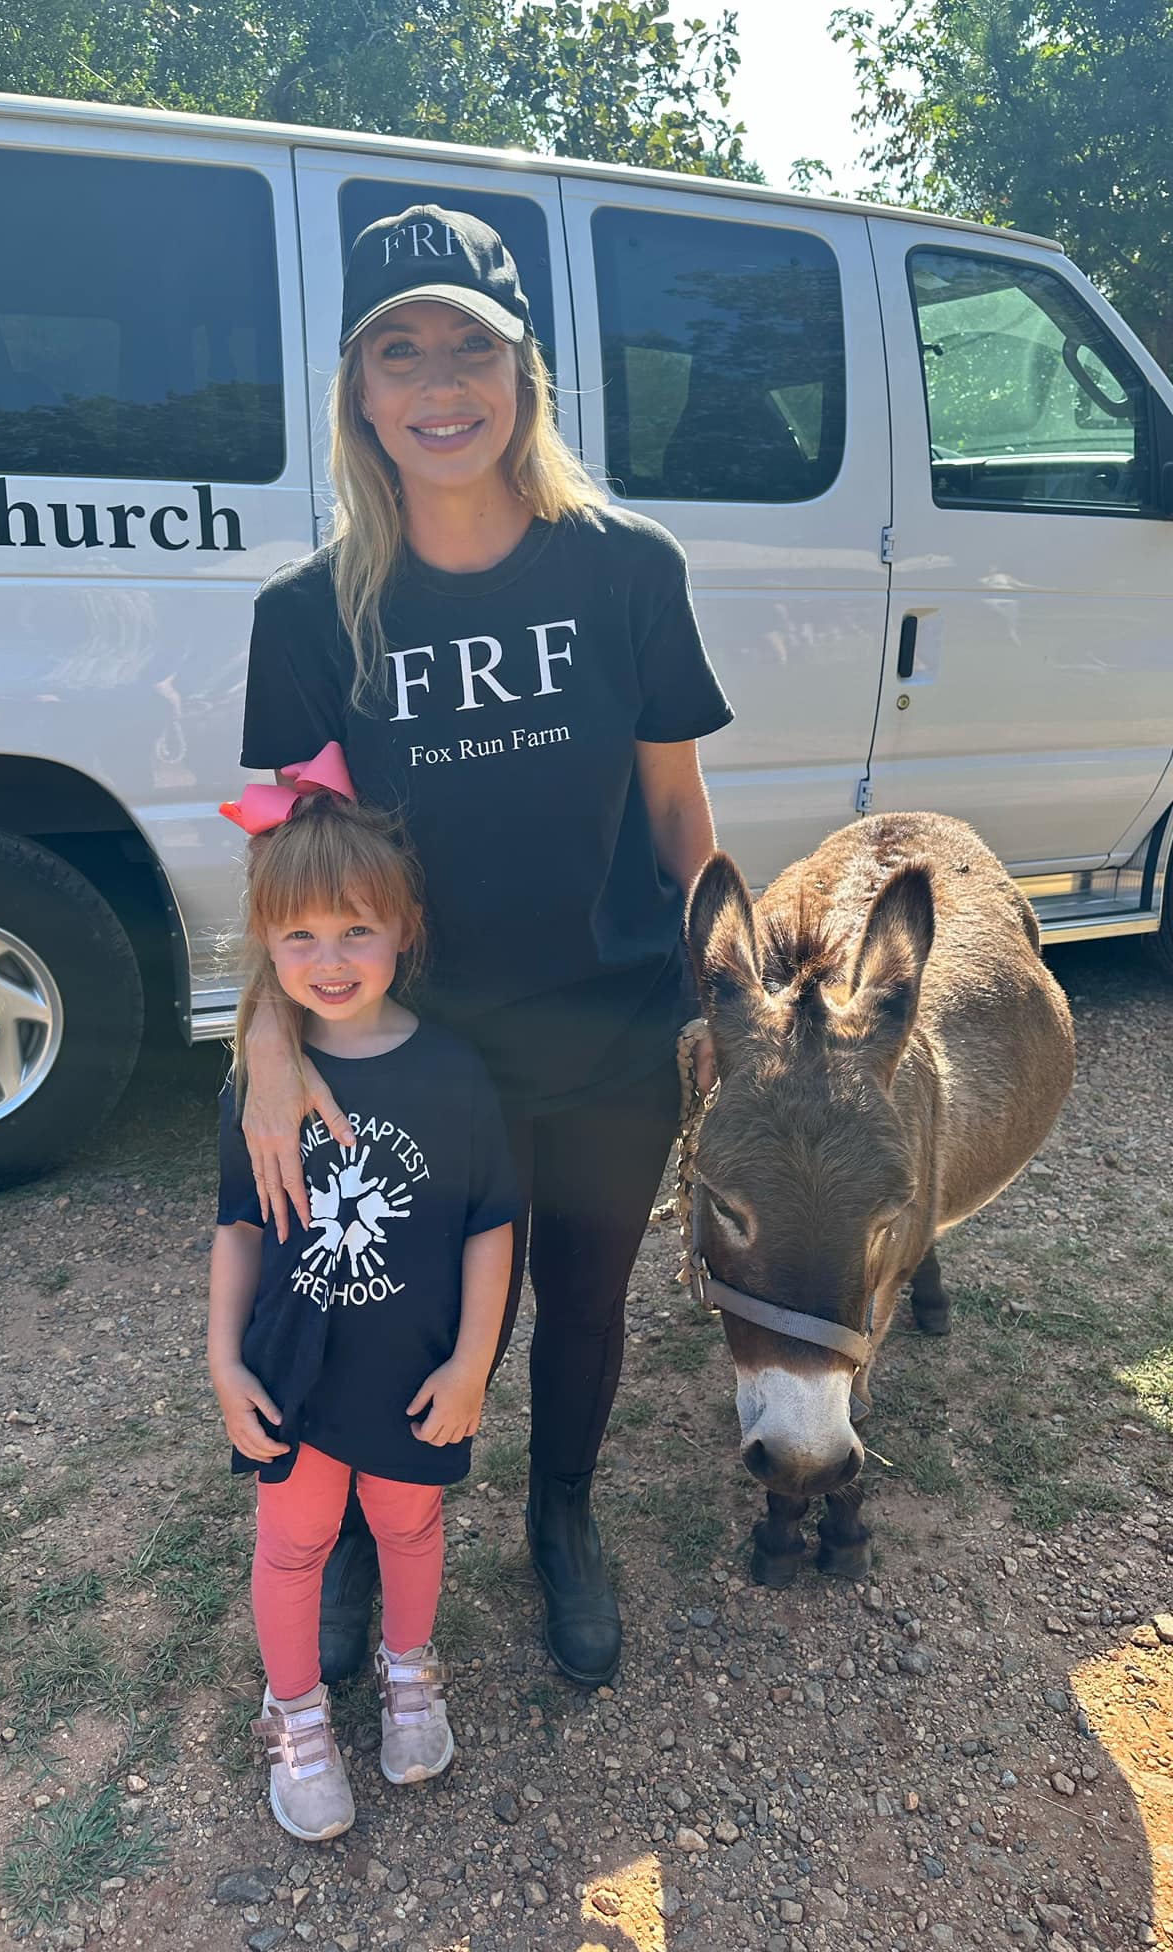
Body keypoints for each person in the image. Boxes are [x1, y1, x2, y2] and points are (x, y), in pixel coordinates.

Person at [238, 204, 731, 1686]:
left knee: (582, 1299)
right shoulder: (310, 613)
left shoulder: (627, 570)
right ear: (359, 391)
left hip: (610, 1027)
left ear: (525, 375)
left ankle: (562, 1520)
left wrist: (733, 1001)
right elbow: (289, 858)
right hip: (413, 1055)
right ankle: (364, 1537)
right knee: (394, 1305)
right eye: (402, 353)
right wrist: (270, 1043)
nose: (440, 385)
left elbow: (677, 804)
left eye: (473, 349)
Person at [208, 760, 517, 1842]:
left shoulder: (455, 1073)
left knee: (408, 1519)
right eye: (299, 937)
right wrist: (223, 1358)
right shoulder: (264, 1081)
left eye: (355, 930)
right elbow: (239, 1225)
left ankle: (407, 1672)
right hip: (296, 1366)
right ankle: (295, 1714)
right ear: (265, 941)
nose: (330, 960)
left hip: (414, 1364)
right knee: (292, 1540)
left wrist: (475, 1357)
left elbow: (490, 1220)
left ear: (405, 928)